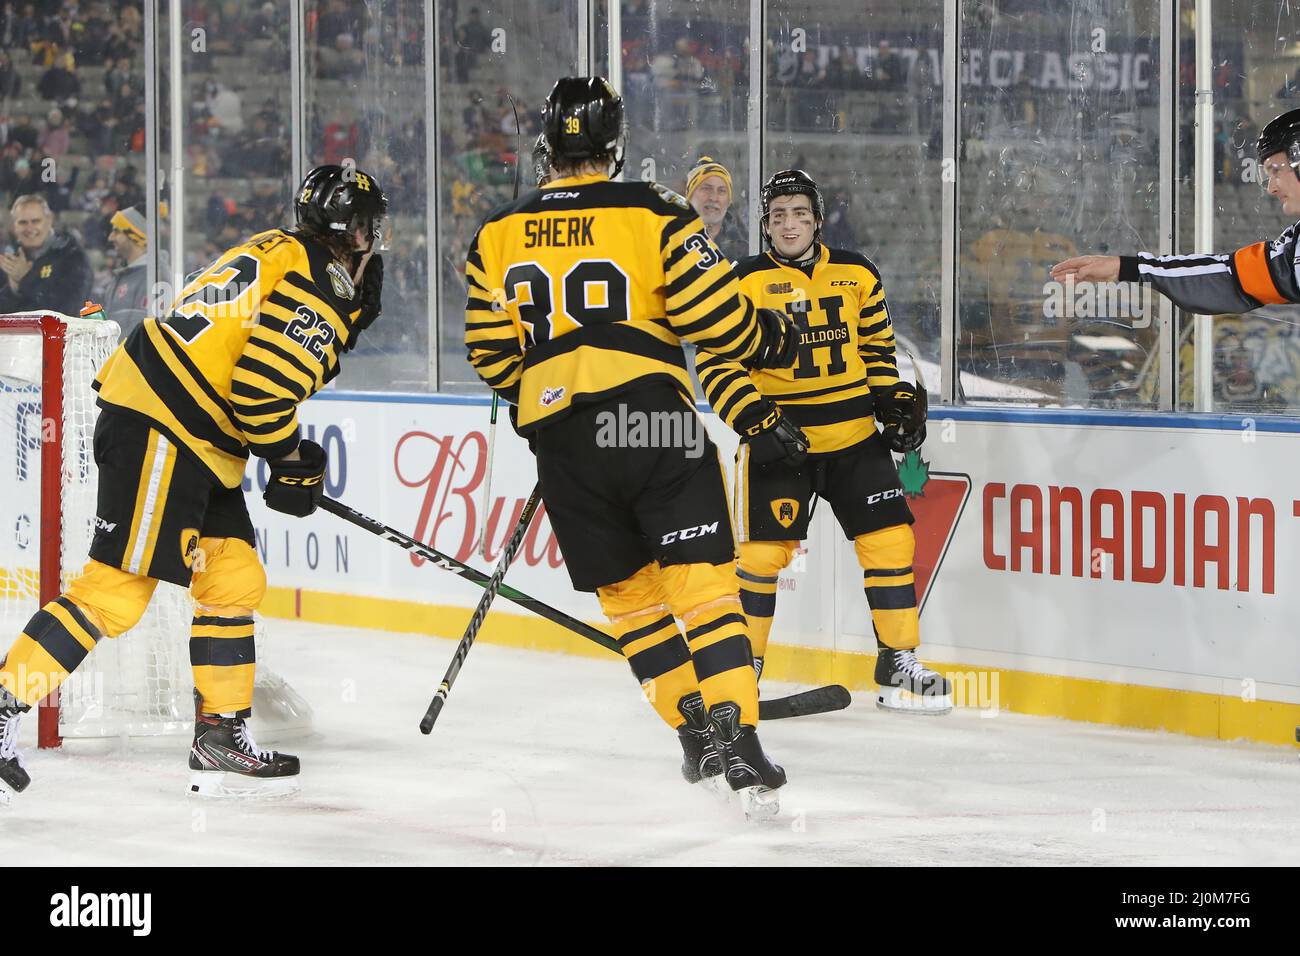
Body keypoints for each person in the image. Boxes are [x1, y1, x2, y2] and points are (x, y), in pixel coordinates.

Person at [464, 77, 800, 816]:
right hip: (651, 420)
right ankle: (739, 742)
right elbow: (717, 320)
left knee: (634, 603)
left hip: (564, 440)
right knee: (704, 588)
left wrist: (552, 406)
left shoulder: (495, 232)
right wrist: (772, 335)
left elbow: (490, 355)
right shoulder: (658, 210)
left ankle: (692, 734)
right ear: (613, 146)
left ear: (547, 143)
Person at [0, 164, 387, 799]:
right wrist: (291, 458)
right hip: (167, 428)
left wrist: (279, 454)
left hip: (191, 435)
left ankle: (219, 734)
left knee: (232, 576)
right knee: (114, 594)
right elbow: (260, 394)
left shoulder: (276, 247)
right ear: (348, 228)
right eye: (368, 226)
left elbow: (240, 377)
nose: (373, 239)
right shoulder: (322, 284)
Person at [695, 169, 952, 714]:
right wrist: (757, 422)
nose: (790, 224)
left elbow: (878, 350)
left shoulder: (857, 273)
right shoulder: (741, 280)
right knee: (762, 557)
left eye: (800, 214)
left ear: (817, 219)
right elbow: (716, 365)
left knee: (890, 543)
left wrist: (894, 405)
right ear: (766, 223)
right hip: (781, 442)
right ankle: (743, 671)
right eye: (779, 215)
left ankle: (897, 661)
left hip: (855, 439)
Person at [0, 193, 92, 316]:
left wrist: (25, 279)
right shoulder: (12, 263)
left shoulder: (72, 257)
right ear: (14, 226)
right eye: (22, 222)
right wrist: (14, 288)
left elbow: (65, 311)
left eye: (35, 221)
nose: (29, 228)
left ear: (49, 220)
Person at [98, 205, 157, 336]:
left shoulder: (155, 275)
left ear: (134, 234)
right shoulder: (121, 275)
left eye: (117, 231)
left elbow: (147, 334)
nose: (110, 237)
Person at [685, 155, 746, 261]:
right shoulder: (672, 240)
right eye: (706, 189)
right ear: (690, 196)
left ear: (728, 201)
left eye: (721, 191)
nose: (713, 198)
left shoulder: (743, 250)